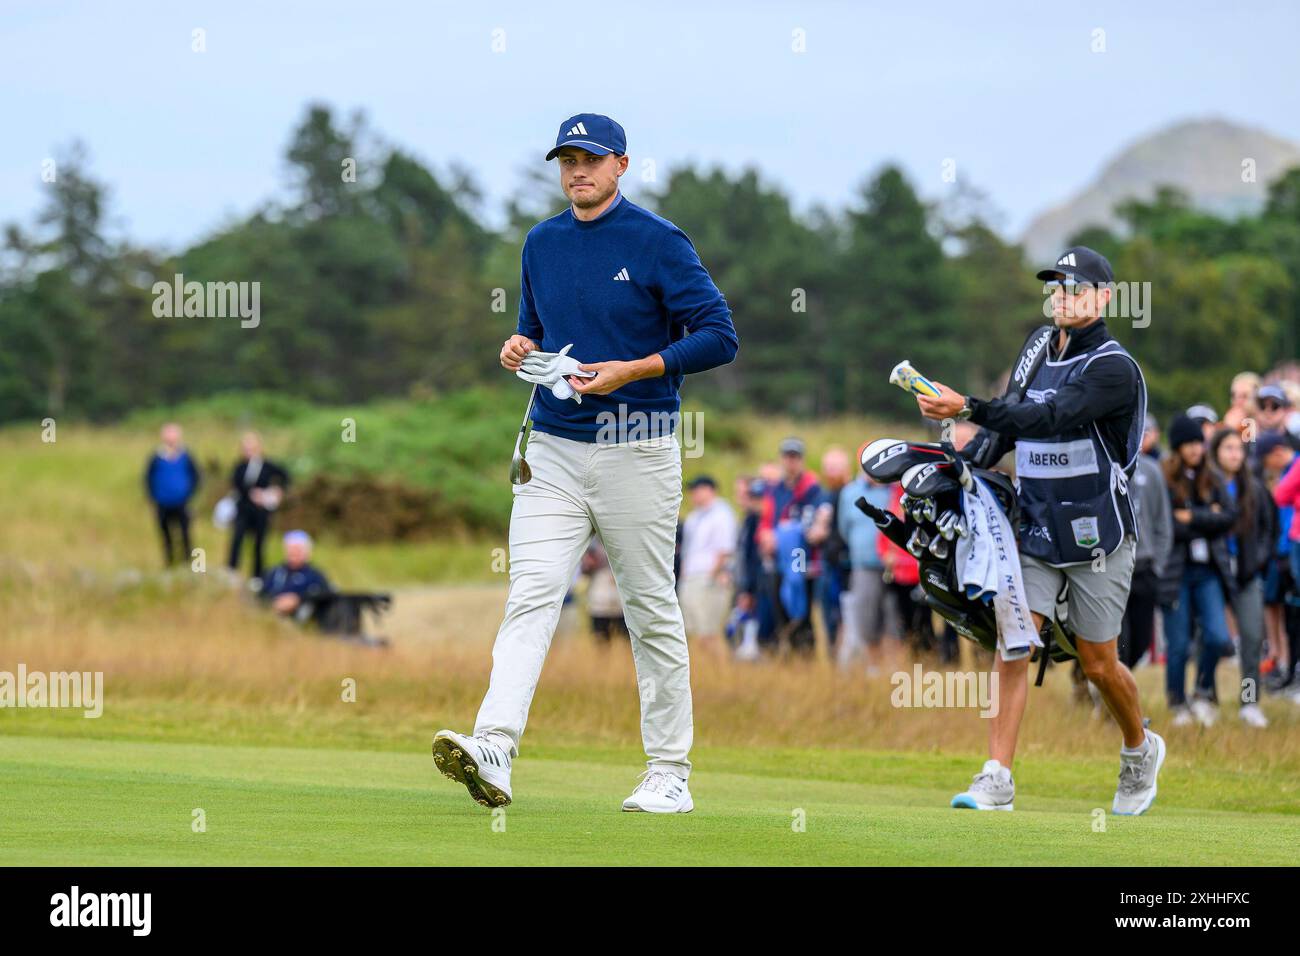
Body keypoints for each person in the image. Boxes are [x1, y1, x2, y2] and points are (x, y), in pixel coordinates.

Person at [432, 113, 738, 813]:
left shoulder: (659, 242)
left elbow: (720, 336)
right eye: (568, 159)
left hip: (638, 444)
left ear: (621, 166)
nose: (578, 170)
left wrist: (634, 370)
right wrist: (518, 347)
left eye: (591, 159)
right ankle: (495, 747)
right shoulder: (541, 242)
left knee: (650, 608)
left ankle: (670, 771)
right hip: (552, 446)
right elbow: (537, 332)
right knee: (531, 595)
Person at [917, 245, 1165, 815]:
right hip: (1033, 527)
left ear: (1103, 298)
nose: (1063, 297)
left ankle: (1138, 749)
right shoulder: (1036, 345)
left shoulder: (1112, 367)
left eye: (1076, 288)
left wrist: (968, 407)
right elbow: (1015, 413)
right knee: (1015, 641)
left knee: (1098, 662)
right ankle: (996, 776)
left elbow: (1050, 417)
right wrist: (970, 460)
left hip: (1097, 536)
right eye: (1056, 287)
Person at [1159, 415, 1237, 728]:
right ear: (1178, 447)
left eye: (1198, 443)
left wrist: (1191, 517)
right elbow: (1166, 526)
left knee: (1218, 636)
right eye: (1189, 444)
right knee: (1178, 644)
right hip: (1175, 573)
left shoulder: (1213, 477)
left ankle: (1204, 691)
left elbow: (1228, 518)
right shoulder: (1164, 479)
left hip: (1208, 572)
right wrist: (1206, 519)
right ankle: (1177, 701)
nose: (1195, 449)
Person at [1211, 427, 1277, 727]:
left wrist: (1258, 560)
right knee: (1210, 639)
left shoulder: (1255, 488)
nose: (1234, 454)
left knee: (1252, 638)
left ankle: (1249, 702)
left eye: (1238, 448)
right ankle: (1205, 697)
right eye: (1227, 448)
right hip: (1214, 571)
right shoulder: (1207, 485)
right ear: (1216, 452)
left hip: (1247, 572)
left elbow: (1268, 529)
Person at [758, 438, 824, 655]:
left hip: (802, 559)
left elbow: (811, 522)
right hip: (778, 560)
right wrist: (766, 536)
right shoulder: (775, 490)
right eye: (787, 457)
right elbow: (767, 520)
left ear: (801, 460)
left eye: (795, 457)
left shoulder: (812, 489)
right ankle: (790, 655)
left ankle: (805, 655)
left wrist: (783, 534)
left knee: (801, 610)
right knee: (780, 609)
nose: (790, 462)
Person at [1119, 414, 1173, 669]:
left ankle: (1118, 686)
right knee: (1118, 639)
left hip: (1144, 567)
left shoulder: (1152, 471)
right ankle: (1109, 698)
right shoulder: (1108, 465)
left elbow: (1164, 522)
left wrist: (1158, 566)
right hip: (1112, 566)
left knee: (1140, 640)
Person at [836, 454, 895, 671]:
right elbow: (844, 528)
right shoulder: (850, 492)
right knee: (866, 618)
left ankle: (896, 667)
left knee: (893, 618)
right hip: (863, 565)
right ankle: (873, 666)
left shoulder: (896, 490)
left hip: (896, 568)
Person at [677, 476, 738, 655]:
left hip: (709, 578)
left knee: (709, 632)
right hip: (690, 578)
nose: (693, 494)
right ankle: (707, 672)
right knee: (695, 631)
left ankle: (722, 672)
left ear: (710, 490)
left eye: (698, 489)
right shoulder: (695, 517)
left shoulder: (721, 514)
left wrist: (713, 576)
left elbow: (725, 549)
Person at [1259, 432, 1298, 691]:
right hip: (1284, 547)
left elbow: (1281, 496)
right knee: (1282, 607)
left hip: (1290, 544)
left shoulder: (1295, 465)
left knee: (1291, 609)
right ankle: (1283, 663)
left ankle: (1289, 667)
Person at [806, 447, 852, 651]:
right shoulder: (821, 496)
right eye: (828, 468)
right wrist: (815, 531)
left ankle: (847, 658)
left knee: (847, 615)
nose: (831, 472)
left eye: (836, 468)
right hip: (826, 563)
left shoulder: (852, 494)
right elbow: (811, 529)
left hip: (849, 565)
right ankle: (834, 655)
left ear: (846, 469)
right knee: (828, 615)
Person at [227, 432, 289, 580]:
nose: (248, 451)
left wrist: (276, 492)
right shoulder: (240, 466)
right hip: (243, 510)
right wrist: (251, 494)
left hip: (261, 512)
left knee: (259, 544)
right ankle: (231, 572)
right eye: (245, 448)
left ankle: (257, 576)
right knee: (237, 540)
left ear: (259, 448)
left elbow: (285, 477)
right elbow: (236, 484)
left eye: (251, 448)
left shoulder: (268, 465)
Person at [144, 422, 201, 567]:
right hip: (162, 503)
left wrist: (190, 495)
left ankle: (191, 566)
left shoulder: (186, 455)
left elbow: (196, 477)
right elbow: (148, 479)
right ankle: (169, 565)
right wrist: (152, 498)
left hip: (182, 502)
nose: (171, 439)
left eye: (173, 436)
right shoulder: (156, 457)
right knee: (166, 536)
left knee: (186, 535)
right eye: (168, 436)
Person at [259, 530, 330, 618]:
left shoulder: (315, 575)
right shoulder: (274, 572)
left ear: (308, 553)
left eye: (298, 549)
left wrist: (297, 599)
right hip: (272, 615)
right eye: (291, 549)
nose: (294, 553)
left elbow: (326, 594)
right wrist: (275, 603)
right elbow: (262, 593)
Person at [580, 537, 626, 641]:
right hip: (599, 601)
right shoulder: (591, 545)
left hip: (620, 601)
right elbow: (585, 569)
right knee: (601, 638)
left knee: (625, 639)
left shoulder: (622, 542)